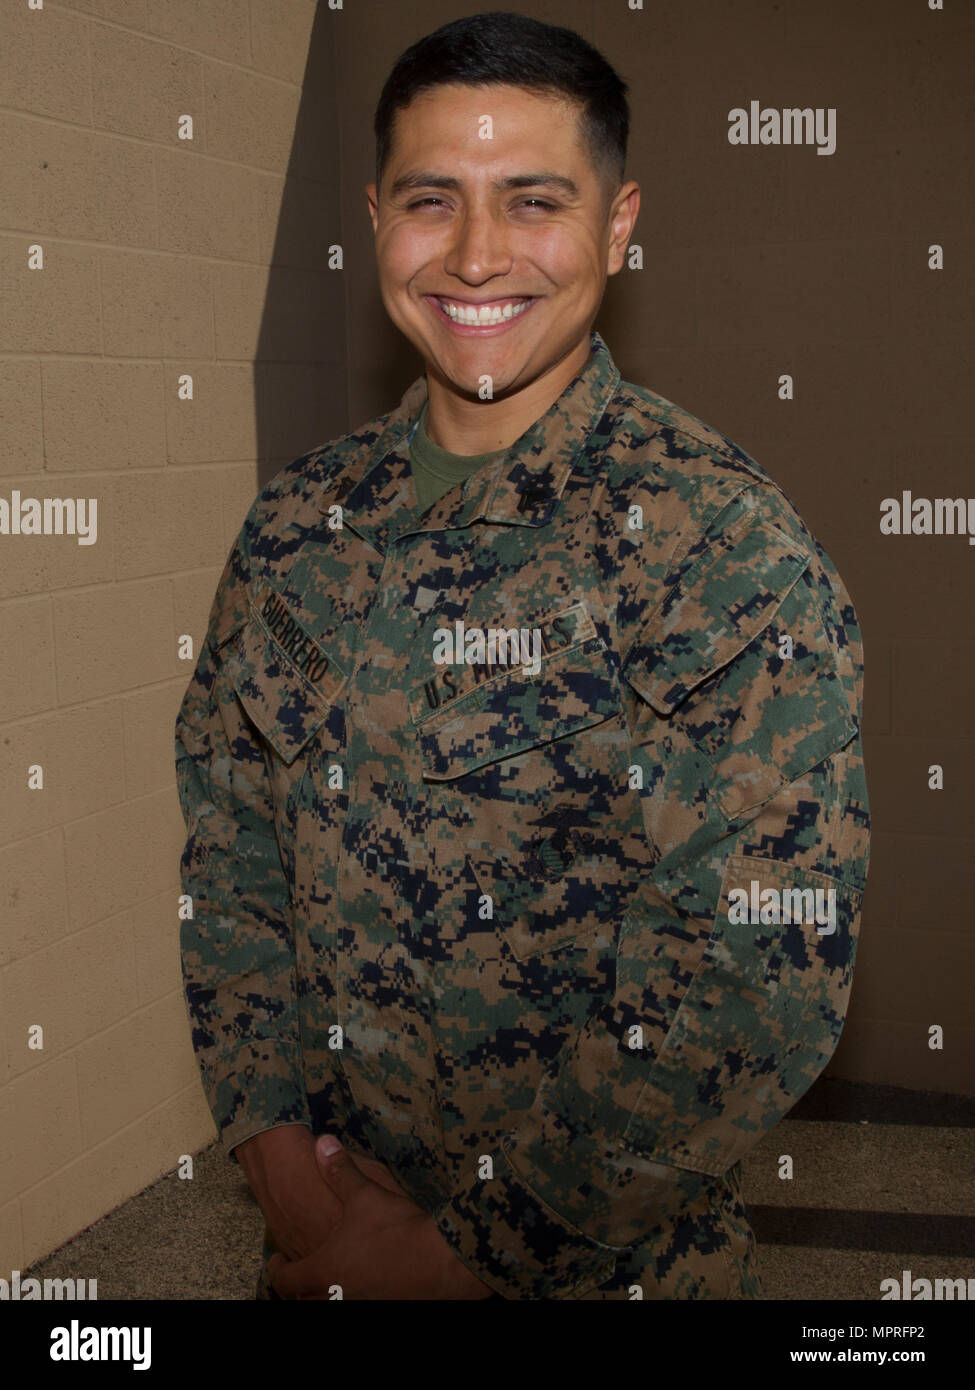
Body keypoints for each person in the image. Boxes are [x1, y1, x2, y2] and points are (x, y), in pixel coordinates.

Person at [175, 10, 870, 1301]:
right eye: (433, 200)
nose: (479, 255)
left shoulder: (715, 543)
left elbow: (759, 967)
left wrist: (463, 1257)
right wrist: (276, 1151)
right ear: (378, 212)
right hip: (326, 1226)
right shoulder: (297, 523)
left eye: (534, 200)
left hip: (600, 1266)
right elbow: (230, 854)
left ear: (618, 223)